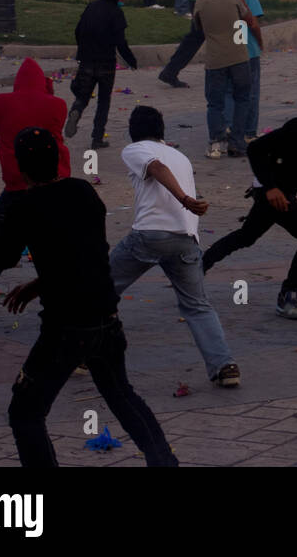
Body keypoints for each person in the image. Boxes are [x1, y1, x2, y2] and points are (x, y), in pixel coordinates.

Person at [0, 126, 177, 467]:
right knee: (123, 397)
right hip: (106, 321)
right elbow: (82, 253)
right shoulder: (83, 192)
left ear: (19, 166)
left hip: (66, 330)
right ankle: (165, 463)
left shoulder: (24, 206)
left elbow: (1, 255)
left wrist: (11, 201)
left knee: (25, 411)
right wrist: (39, 284)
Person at [203, 77, 297, 319]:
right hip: (275, 194)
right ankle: (288, 296)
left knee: (246, 236)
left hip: (280, 193)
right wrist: (270, 188)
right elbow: (256, 150)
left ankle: (195, 269)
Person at [111, 106, 240, 387]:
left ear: (133, 131)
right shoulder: (180, 155)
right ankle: (225, 365)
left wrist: (183, 198)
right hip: (186, 239)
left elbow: (156, 168)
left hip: (149, 235)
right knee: (198, 307)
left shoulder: (134, 150)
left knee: (102, 290)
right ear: (161, 131)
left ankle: (82, 352)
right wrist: (187, 201)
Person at [0, 59, 72, 321]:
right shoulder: (57, 105)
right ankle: (63, 304)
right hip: (56, 187)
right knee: (57, 247)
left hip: (18, 187)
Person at [64, 0, 138, 149]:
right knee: (103, 101)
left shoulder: (91, 7)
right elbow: (121, 41)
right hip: (106, 63)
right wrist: (131, 60)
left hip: (87, 60)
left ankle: (76, 110)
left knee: (82, 94)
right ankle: (97, 137)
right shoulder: (116, 12)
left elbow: (78, 31)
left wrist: (82, 50)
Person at [192, 0, 256, 159]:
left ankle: (215, 143)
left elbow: (199, 28)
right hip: (239, 57)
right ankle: (237, 143)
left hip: (215, 60)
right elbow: (248, 20)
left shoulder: (201, 3)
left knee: (214, 103)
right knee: (242, 99)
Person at [224, 0, 264, 144]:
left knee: (230, 91)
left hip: (231, 49)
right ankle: (249, 131)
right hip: (249, 50)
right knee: (251, 92)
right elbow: (253, 23)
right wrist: (261, 42)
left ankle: (230, 126)